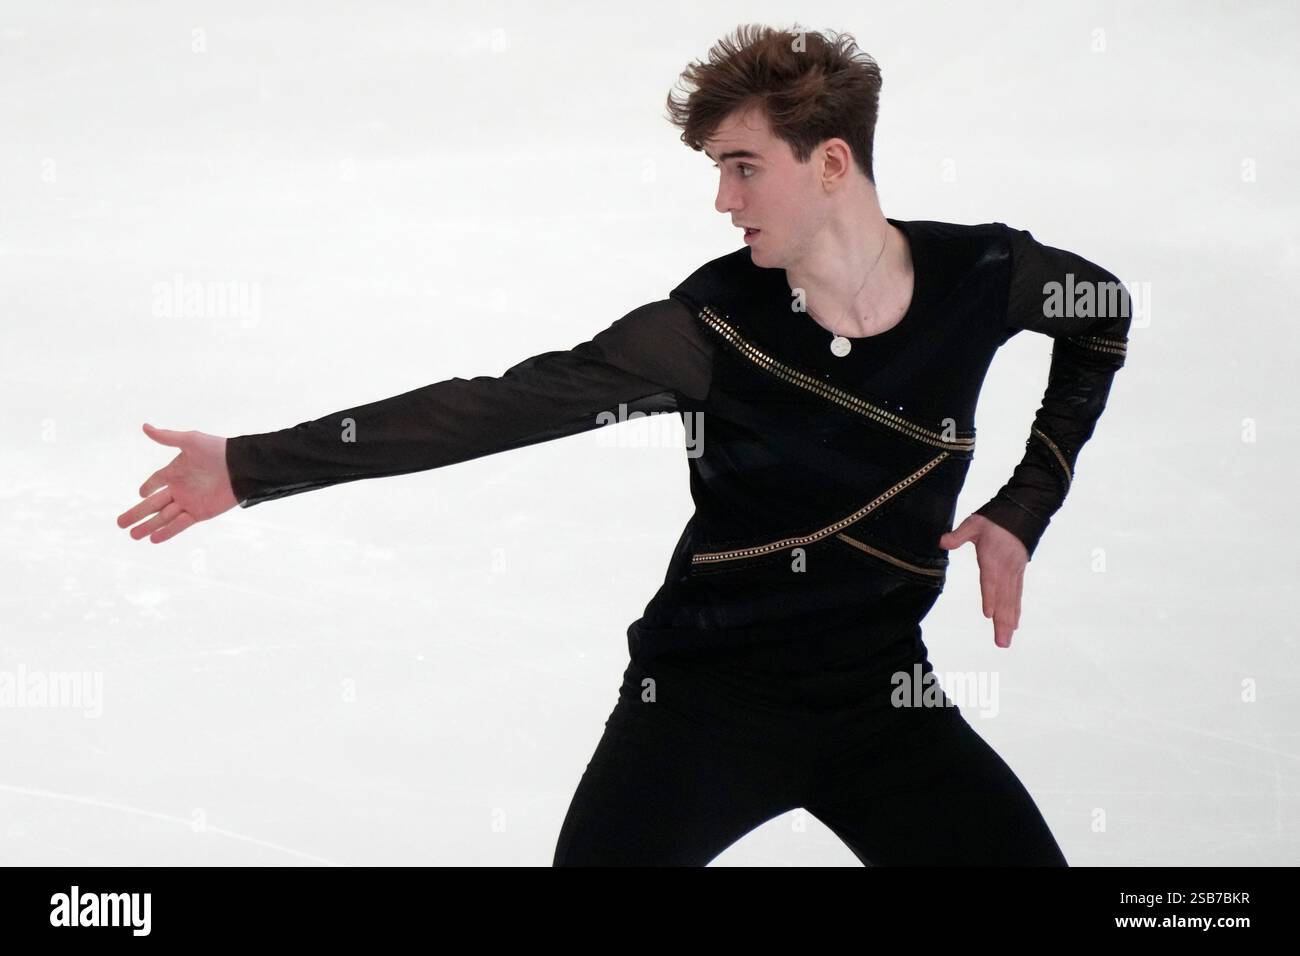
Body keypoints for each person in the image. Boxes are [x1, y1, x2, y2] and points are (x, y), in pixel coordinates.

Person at [116, 25, 1131, 866]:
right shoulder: (706, 330)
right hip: (698, 706)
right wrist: (250, 464)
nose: (723, 201)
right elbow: (489, 408)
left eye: (743, 168)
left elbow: (1102, 314)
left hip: (883, 703)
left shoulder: (979, 275)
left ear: (830, 163)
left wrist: (1025, 502)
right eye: (717, 173)